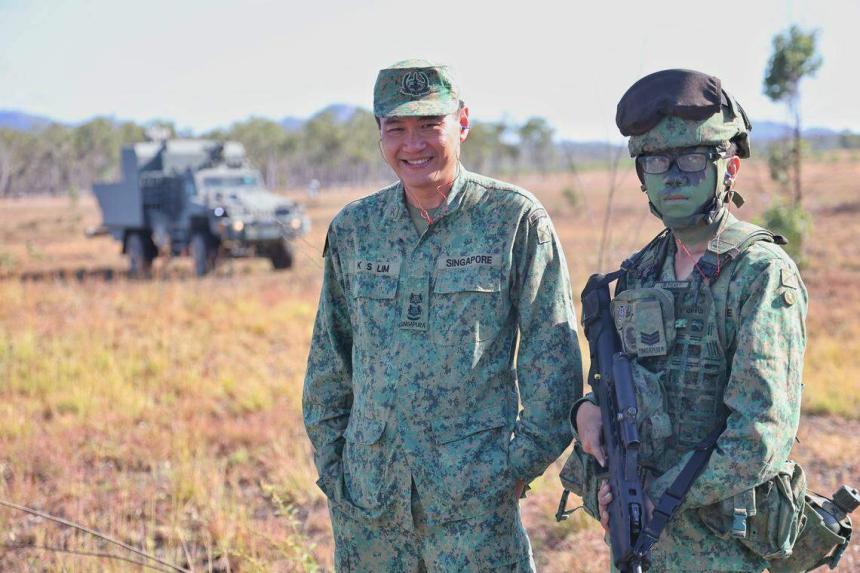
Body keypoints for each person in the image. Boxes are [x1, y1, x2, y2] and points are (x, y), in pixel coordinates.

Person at [303, 59, 582, 572]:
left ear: (463, 123)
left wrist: (516, 468)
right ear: (380, 134)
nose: (414, 145)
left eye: (430, 126)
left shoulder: (513, 219)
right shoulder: (355, 229)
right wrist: (335, 471)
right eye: (398, 129)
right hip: (371, 510)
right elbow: (329, 363)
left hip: (474, 512)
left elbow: (554, 360)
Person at [570, 69, 807, 572]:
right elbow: (630, 387)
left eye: (693, 158)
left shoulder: (759, 274)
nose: (673, 174)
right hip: (641, 546)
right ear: (641, 175)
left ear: (732, 168)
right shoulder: (639, 272)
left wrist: (659, 498)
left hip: (722, 551)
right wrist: (589, 415)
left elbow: (758, 433)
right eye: (657, 160)